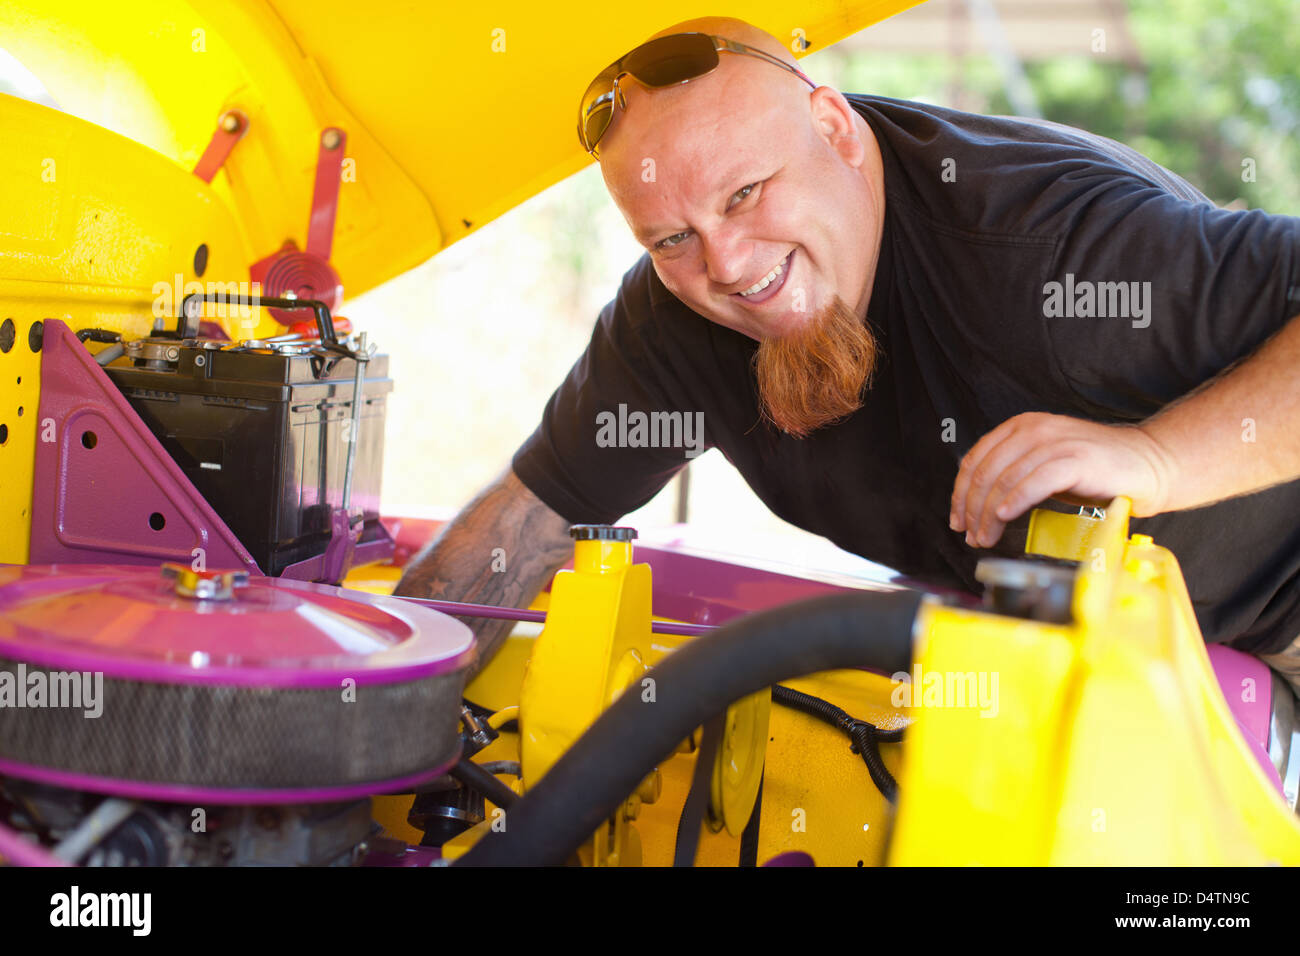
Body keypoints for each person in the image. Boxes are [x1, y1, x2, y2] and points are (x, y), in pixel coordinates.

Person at [396, 17, 1300, 689]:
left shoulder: (1050, 256)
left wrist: (1156, 457)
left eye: (746, 194)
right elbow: (527, 527)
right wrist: (361, 727)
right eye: (670, 238)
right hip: (1102, 662)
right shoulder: (678, 318)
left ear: (833, 128)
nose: (727, 265)